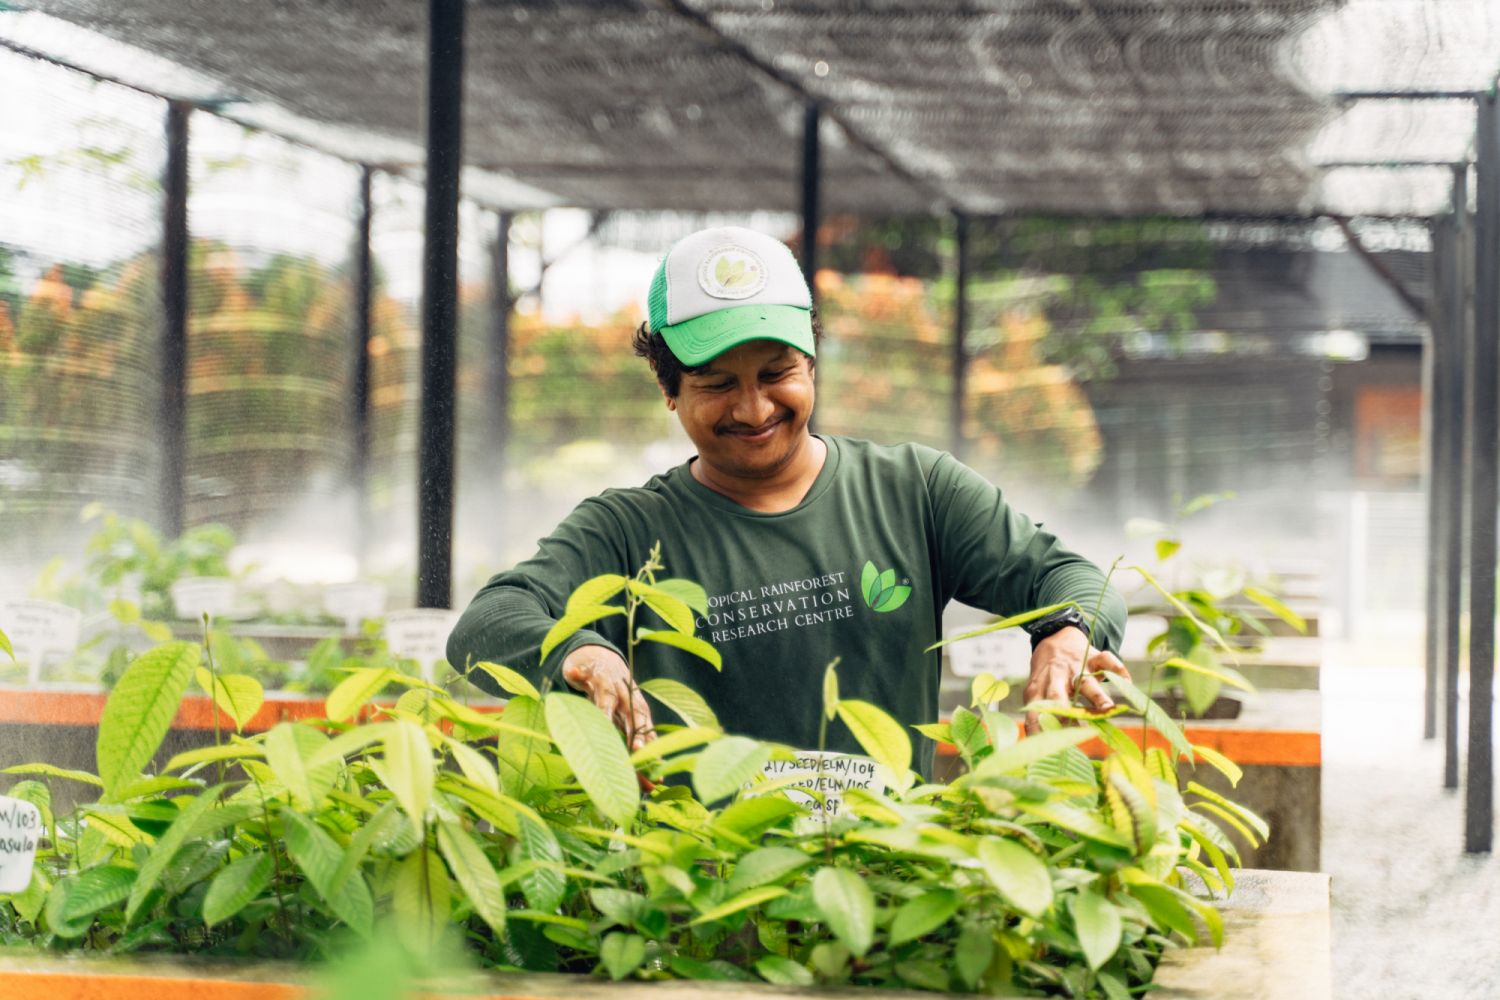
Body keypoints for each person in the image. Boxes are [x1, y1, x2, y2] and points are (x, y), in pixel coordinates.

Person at [447, 225, 1129, 775]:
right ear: (669, 389)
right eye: (716, 383)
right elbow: (486, 622)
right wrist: (583, 654)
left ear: (812, 362)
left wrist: (1066, 635)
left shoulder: (915, 491)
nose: (754, 408)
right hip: (698, 889)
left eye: (777, 373)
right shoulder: (628, 530)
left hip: (890, 875)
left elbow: (1074, 579)